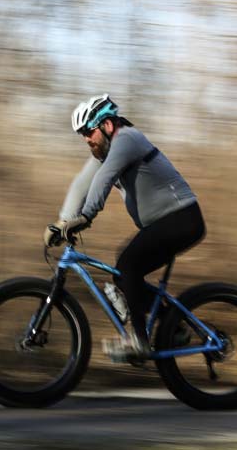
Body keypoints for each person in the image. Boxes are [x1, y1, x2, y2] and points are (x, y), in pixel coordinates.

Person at [43, 94, 206, 361]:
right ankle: (173, 326)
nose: (86, 139)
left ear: (107, 125)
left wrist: (85, 217)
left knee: (128, 266)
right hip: (165, 223)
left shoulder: (127, 140)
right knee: (124, 275)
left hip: (182, 219)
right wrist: (63, 221)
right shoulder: (105, 151)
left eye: (89, 132)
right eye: (82, 135)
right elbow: (82, 183)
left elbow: (104, 179)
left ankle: (139, 342)